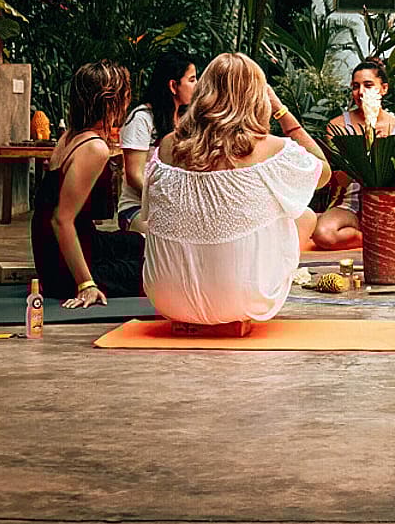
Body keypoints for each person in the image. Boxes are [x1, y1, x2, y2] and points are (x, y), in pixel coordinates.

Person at [141, 53, 332, 325]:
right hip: (244, 301)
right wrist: (281, 111)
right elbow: (323, 173)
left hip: (167, 299)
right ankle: (237, 288)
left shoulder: (168, 145)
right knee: (305, 216)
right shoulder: (270, 149)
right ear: (258, 97)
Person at [31, 60, 145, 308]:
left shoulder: (71, 135)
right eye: (125, 94)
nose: (128, 100)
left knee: (142, 243)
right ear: (109, 100)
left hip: (70, 246)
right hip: (63, 270)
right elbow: (61, 220)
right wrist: (86, 284)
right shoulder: (93, 148)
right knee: (158, 270)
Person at [311, 58, 395, 250]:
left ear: (384, 89)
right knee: (323, 235)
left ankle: (381, 233)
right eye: (355, 86)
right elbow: (340, 178)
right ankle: (372, 239)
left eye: (368, 85)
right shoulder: (338, 126)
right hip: (349, 205)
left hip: (385, 208)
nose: (360, 92)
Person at [117, 51, 197, 232]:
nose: (197, 85)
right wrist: (167, 202)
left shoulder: (186, 120)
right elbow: (134, 175)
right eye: (192, 80)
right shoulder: (142, 119)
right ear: (173, 85)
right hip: (138, 208)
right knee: (175, 234)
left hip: (176, 209)